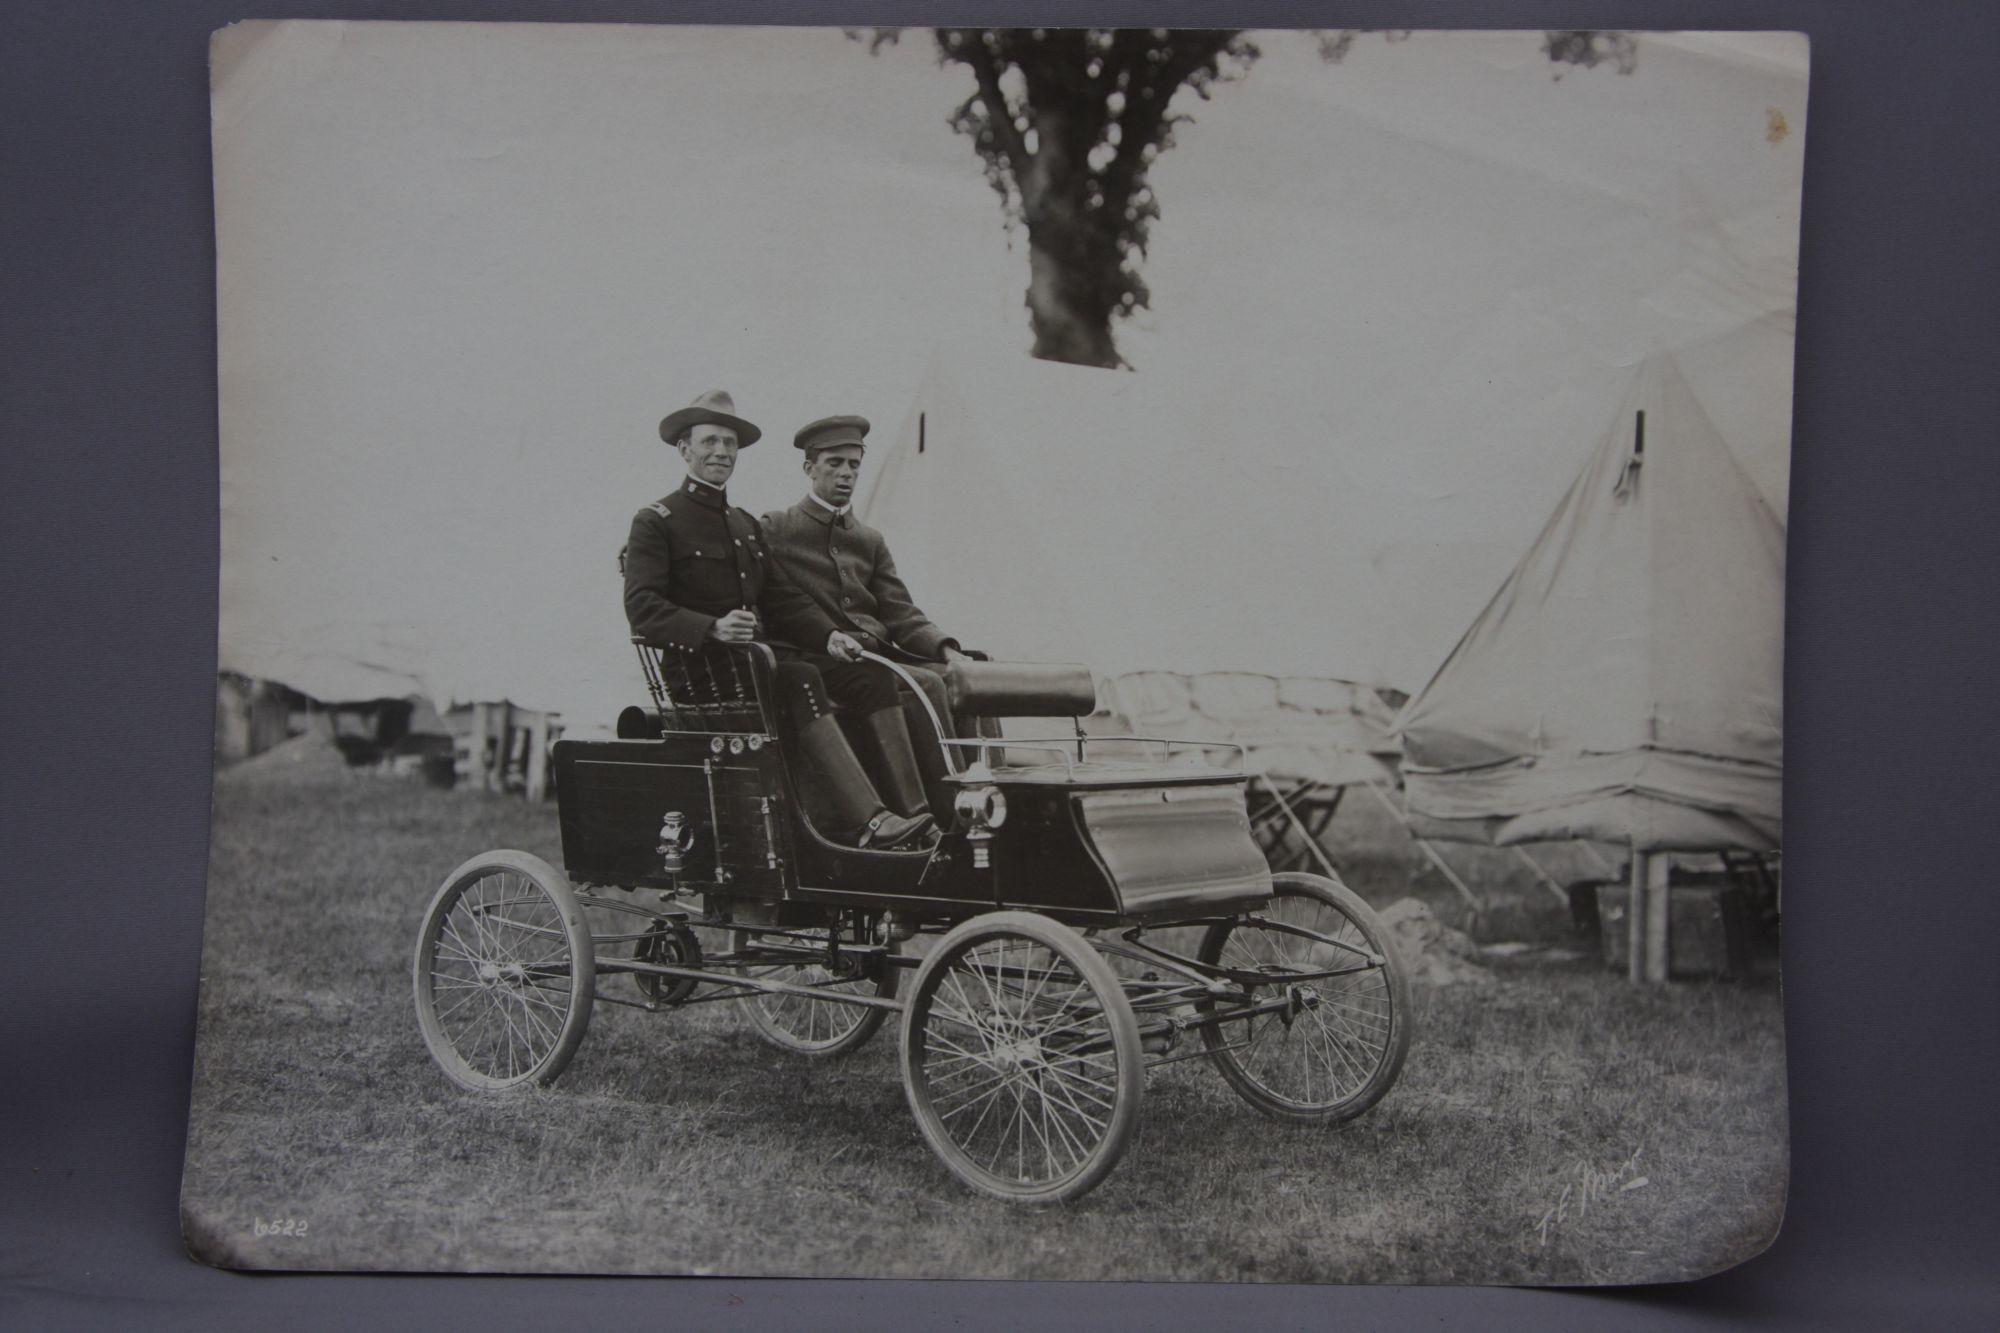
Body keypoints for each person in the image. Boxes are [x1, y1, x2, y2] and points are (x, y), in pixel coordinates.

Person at [621, 390, 933, 850]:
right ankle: (870, 824)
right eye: (710, 442)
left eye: (729, 444)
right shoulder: (657, 521)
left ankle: (919, 816)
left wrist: (830, 637)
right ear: (684, 449)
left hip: (758, 662)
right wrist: (711, 628)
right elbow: (642, 607)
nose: (721, 453)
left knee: (868, 676)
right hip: (704, 671)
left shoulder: (743, 524)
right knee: (799, 676)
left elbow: (782, 597)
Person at [759, 414, 973, 814]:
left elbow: (900, 611)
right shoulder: (776, 527)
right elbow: (750, 573)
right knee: (927, 685)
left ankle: (988, 789)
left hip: (878, 659)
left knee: (966, 677)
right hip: (823, 659)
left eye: (854, 465)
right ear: (809, 469)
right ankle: (952, 807)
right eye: (834, 464)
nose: (846, 474)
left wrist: (946, 649)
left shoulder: (869, 539)